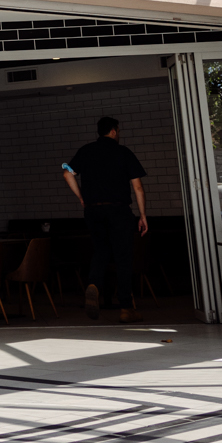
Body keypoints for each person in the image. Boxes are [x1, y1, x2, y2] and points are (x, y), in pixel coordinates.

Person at [62, 116, 147, 323]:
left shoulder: (86, 151)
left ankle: (94, 284)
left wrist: (82, 197)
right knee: (123, 257)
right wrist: (143, 215)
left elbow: (67, 173)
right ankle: (126, 308)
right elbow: (137, 187)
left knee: (101, 250)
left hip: (93, 211)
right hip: (119, 211)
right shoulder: (123, 152)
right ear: (114, 131)